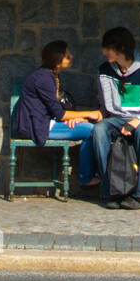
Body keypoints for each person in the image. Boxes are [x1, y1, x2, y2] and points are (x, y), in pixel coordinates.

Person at [89, 27, 140, 210]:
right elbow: (105, 108)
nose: (104, 52)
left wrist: (137, 121)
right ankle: (109, 191)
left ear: (121, 48)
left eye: (108, 48)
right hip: (116, 119)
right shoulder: (104, 71)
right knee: (99, 130)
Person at [12, 40, 103, 190]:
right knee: (91, 131)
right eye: (67, 56)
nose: (71, 57)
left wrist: (76, 118)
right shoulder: (43, 78)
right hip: (37, 126)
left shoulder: (50, 76)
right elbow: (60, 114)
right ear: (57, 60)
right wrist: (91, 114)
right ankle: (86, 178)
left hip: (48, 121)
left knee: (87, 126)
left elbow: (56, 111)